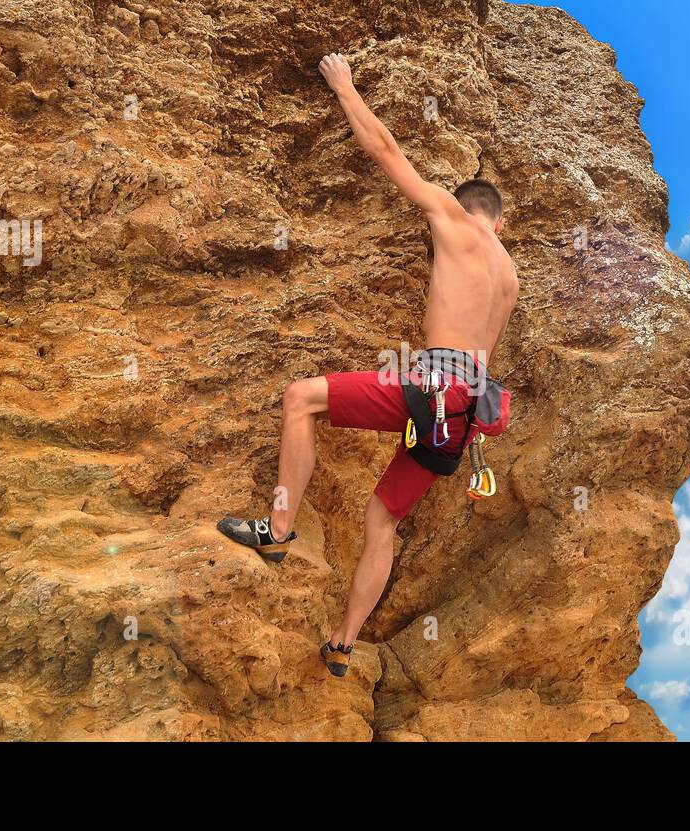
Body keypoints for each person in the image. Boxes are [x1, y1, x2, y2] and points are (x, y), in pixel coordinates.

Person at [218, 53, 518, 678]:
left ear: (464, 206)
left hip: (429, 385)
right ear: (501, 218)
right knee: (382, 518)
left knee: (302, 397)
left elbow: (387, 152)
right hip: (461, 419)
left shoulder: (453, 221)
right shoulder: (510, 276)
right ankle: (344, 643)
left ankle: (276, 532)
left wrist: (345, 87)